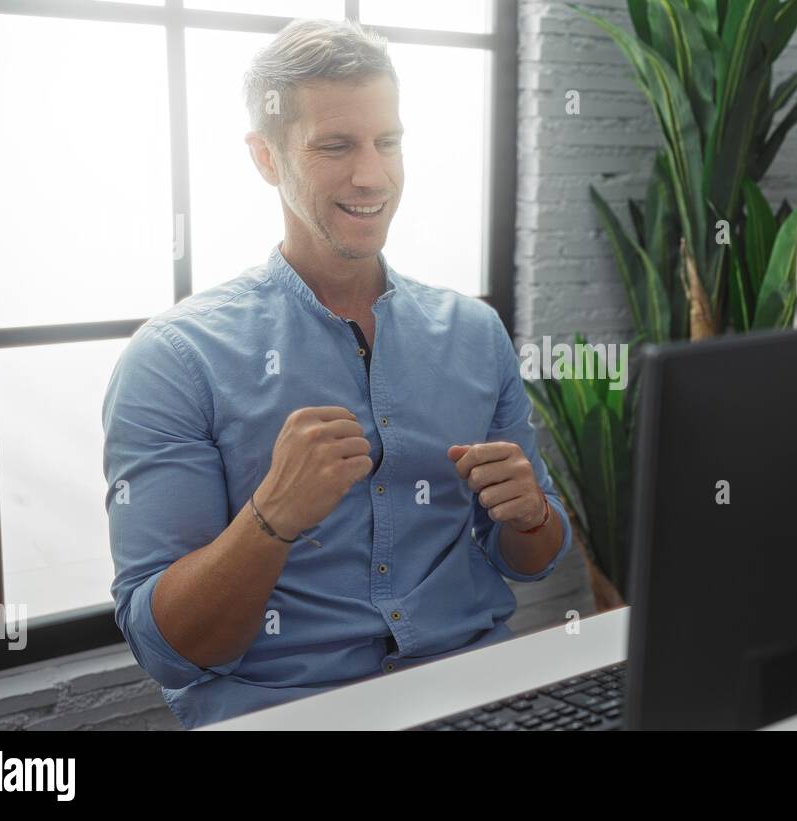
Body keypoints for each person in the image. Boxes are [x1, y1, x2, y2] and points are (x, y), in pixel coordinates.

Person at [102, 18, 570, 729]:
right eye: (336, 146)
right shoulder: (174, 360)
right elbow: (169, 648)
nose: (371, 175)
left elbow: (530, 560)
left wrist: (533, 513)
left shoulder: (473, 333)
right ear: (265, 156)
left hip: (478, 692)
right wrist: (271, 518)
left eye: (388, 142)